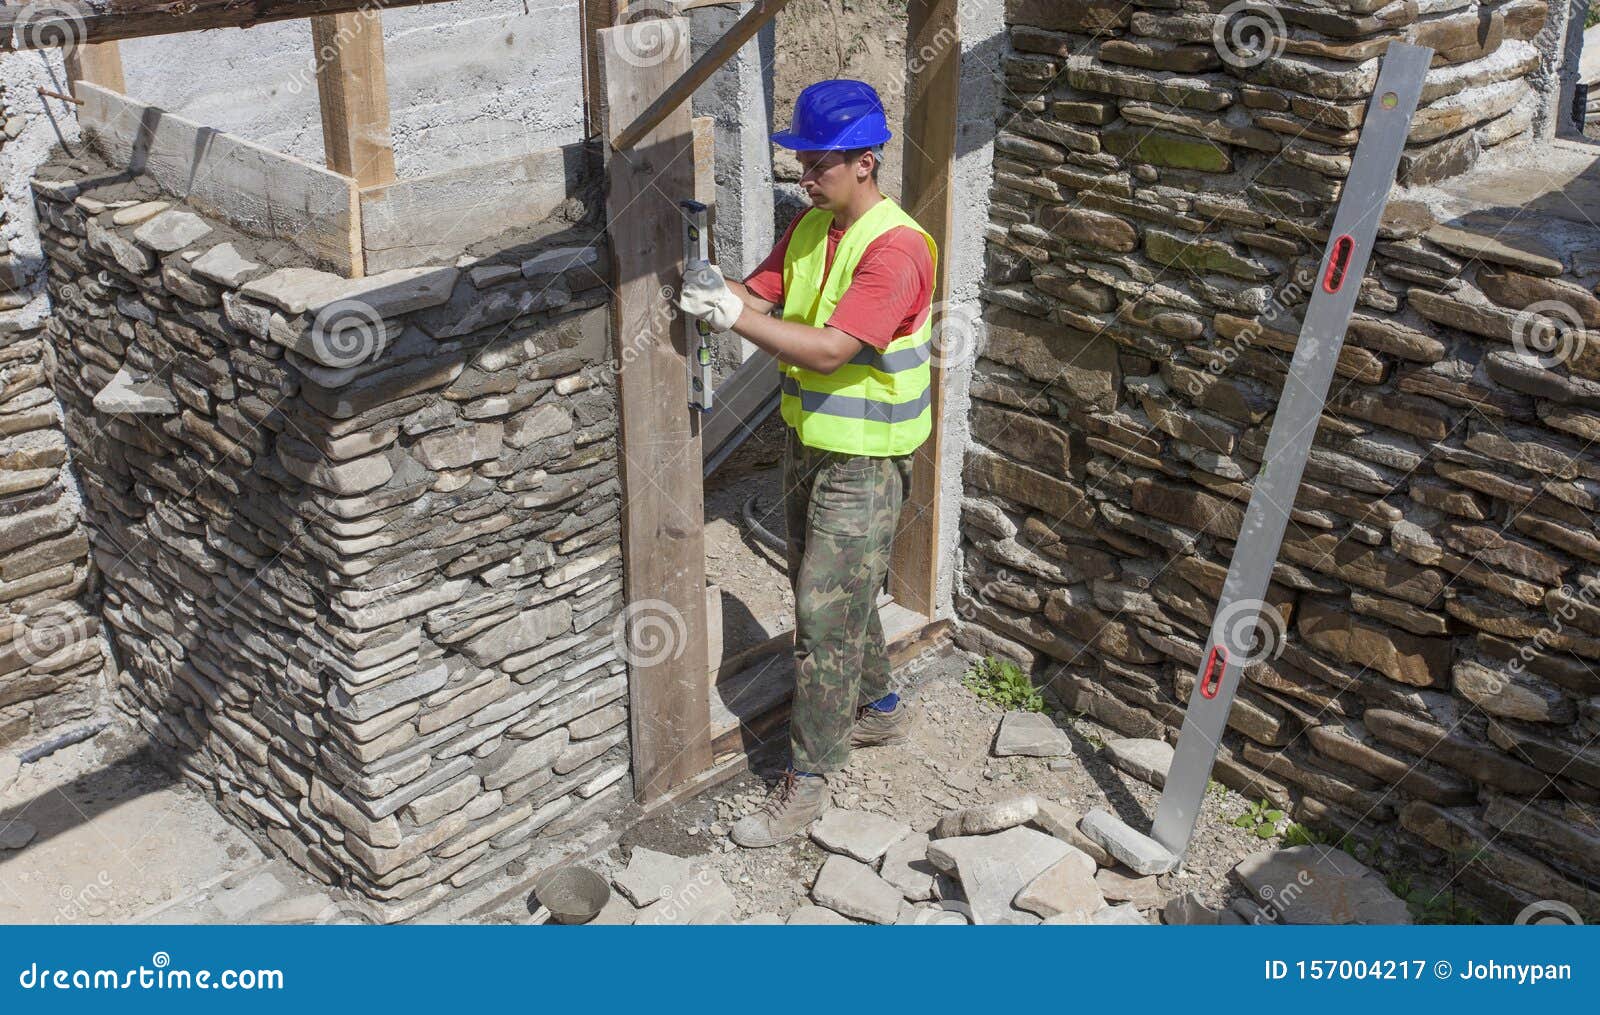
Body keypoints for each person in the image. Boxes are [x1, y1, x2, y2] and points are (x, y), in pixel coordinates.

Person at [677, 79, 937, 848]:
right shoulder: (811, 228)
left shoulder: (896, 251)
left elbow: (830, 350)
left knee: (822, 617)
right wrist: (707, 286)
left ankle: (810, 777)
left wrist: (737, 320)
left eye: (816, 163)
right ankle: (881, 709)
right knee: (830, 589)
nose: (802, 175)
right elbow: (755, 293)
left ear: (865, 162)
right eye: (799, 160)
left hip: (865, 460)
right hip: (810, 444)